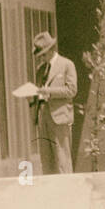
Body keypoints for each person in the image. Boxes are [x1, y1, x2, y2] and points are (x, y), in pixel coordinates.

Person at [30, 31, 77, 175]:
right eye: (40, 56)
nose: (42, 58)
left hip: (59, 117)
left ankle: (67, 192)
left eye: (43, 54)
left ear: (51, 49)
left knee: (62, 159)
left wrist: (49, 91)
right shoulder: (40, 70)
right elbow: (38, 91)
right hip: (43, 116)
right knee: (46, 160)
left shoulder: (66, 65)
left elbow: (71, 90)